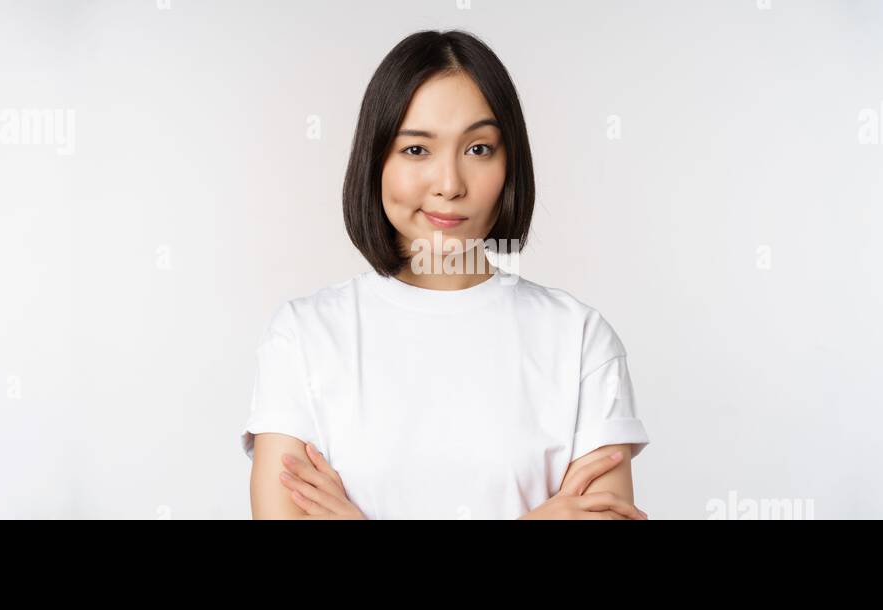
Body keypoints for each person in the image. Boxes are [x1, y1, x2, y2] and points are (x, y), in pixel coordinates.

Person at [242, 30, 649, 519]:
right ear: (376, 162)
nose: (451, 185)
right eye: (417, 150)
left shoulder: (580, 339)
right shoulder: (302, 338)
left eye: (478, 149)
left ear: (509, 162)